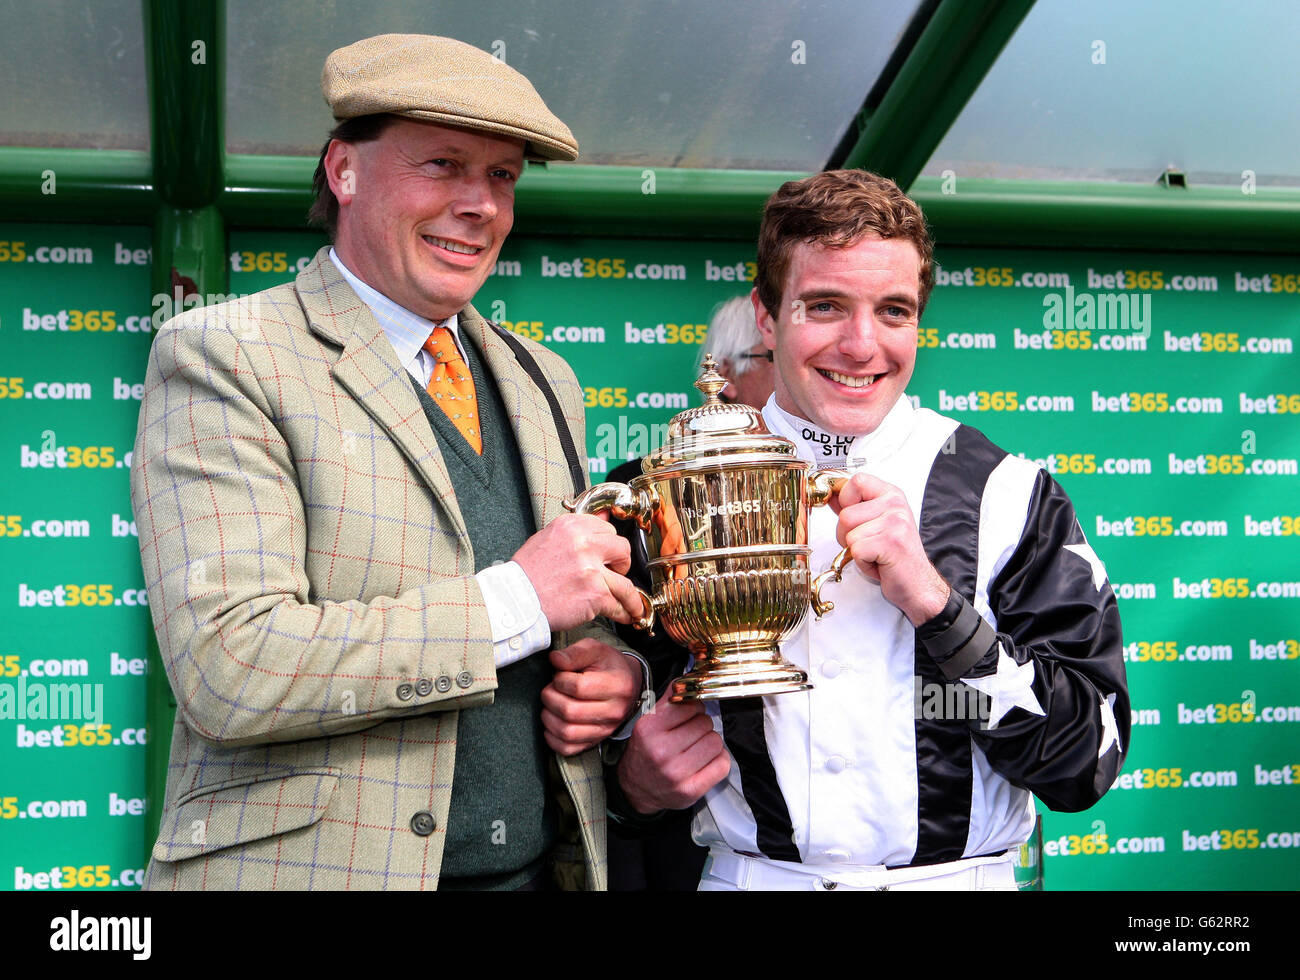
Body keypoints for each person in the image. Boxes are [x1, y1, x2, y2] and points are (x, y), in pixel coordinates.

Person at [131, 34, 649, 891]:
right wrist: (514, 599)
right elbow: (233, 667)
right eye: (444, 164)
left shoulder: (540, 376)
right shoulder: (223, 353)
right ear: (344, 170)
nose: (479, 204)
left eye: (502, 176)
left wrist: (612, 676)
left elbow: (565, 612)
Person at [613, 169, 1130, 890]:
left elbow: (1086, 763)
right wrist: (630, 783)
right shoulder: (658, 490)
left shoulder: (1010, 494)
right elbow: (589, 742)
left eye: (894, 311)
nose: (862, 346)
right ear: (766, 315)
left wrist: (938, 608)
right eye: (824, 306)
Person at [604, 294, 775, 890]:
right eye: (774, 358)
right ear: (723, 373)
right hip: (687, 824)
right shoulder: (639, 490)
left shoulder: (848, 491)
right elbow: (607, 650)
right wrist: (635, 687)